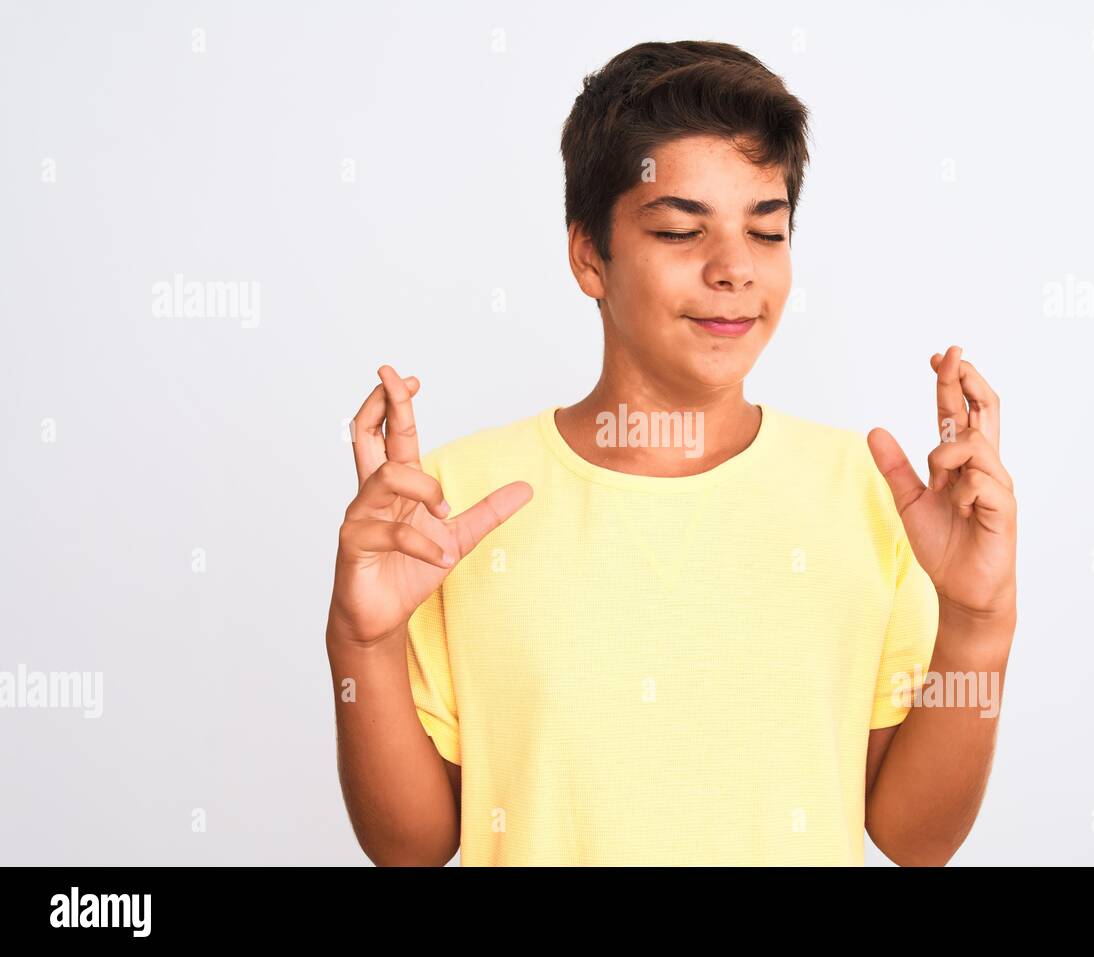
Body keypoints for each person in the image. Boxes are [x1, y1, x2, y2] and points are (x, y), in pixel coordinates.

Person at [325, 40, 1017, 866]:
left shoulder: (870, 495)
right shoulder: (456, 501)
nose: (733, 270)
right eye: (683, 230)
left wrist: (977, 626)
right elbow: (412, 847)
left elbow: (914, 836)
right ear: (590, 255)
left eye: (766, 232)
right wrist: (360, 642)